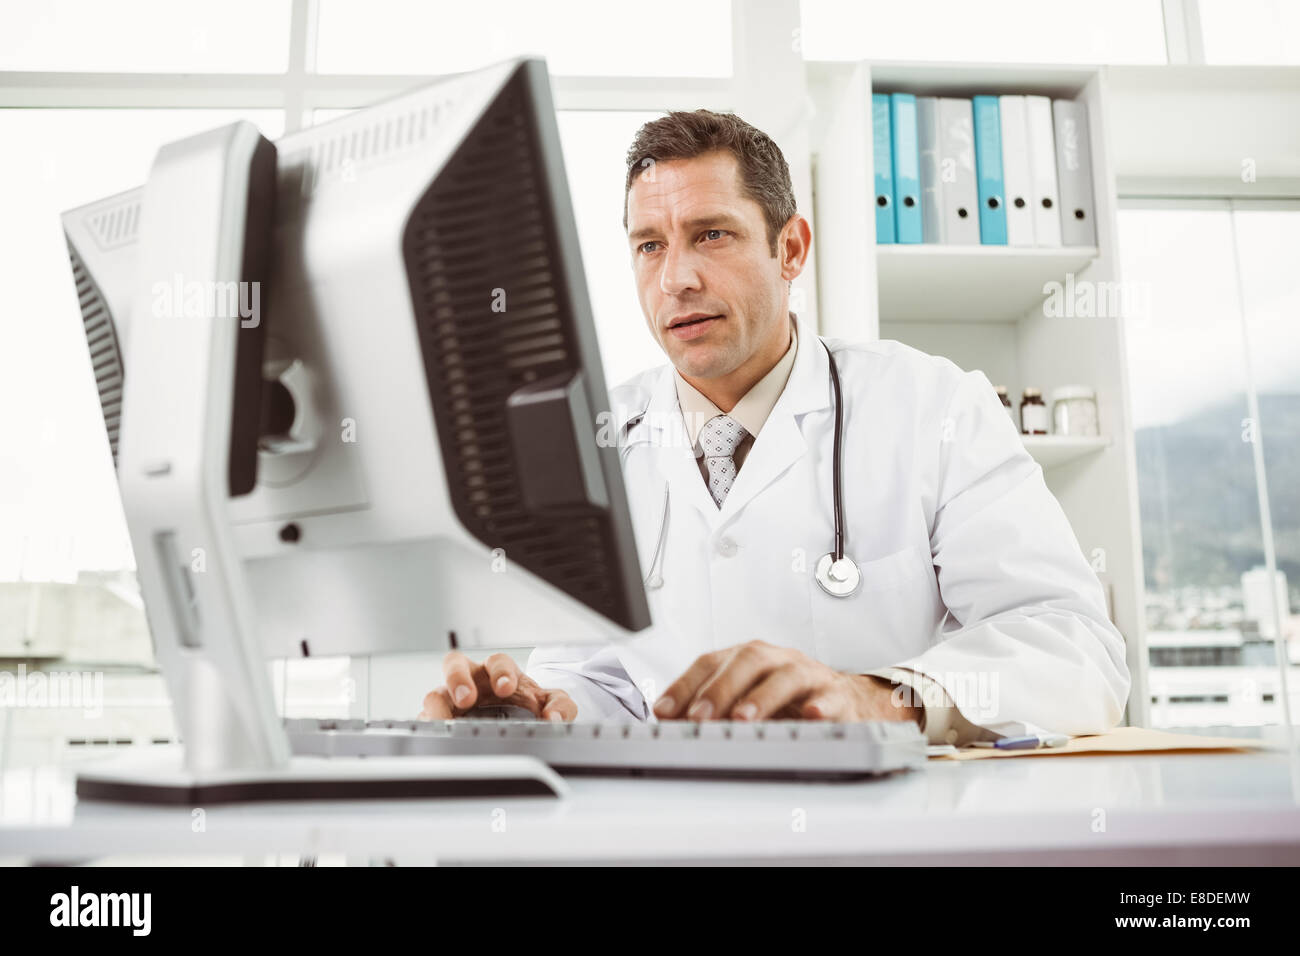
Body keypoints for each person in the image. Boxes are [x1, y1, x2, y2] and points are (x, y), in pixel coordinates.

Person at [420, 109, 1130, 745]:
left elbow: (1073, 646)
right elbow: (598, 680)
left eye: (711, 235)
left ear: (790, 249)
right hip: (672, 827)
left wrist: (884, 698)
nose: (676, 279)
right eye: (650, 245)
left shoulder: (933, 407)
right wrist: (537, 712)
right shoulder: (598, 436)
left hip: (882, 824)